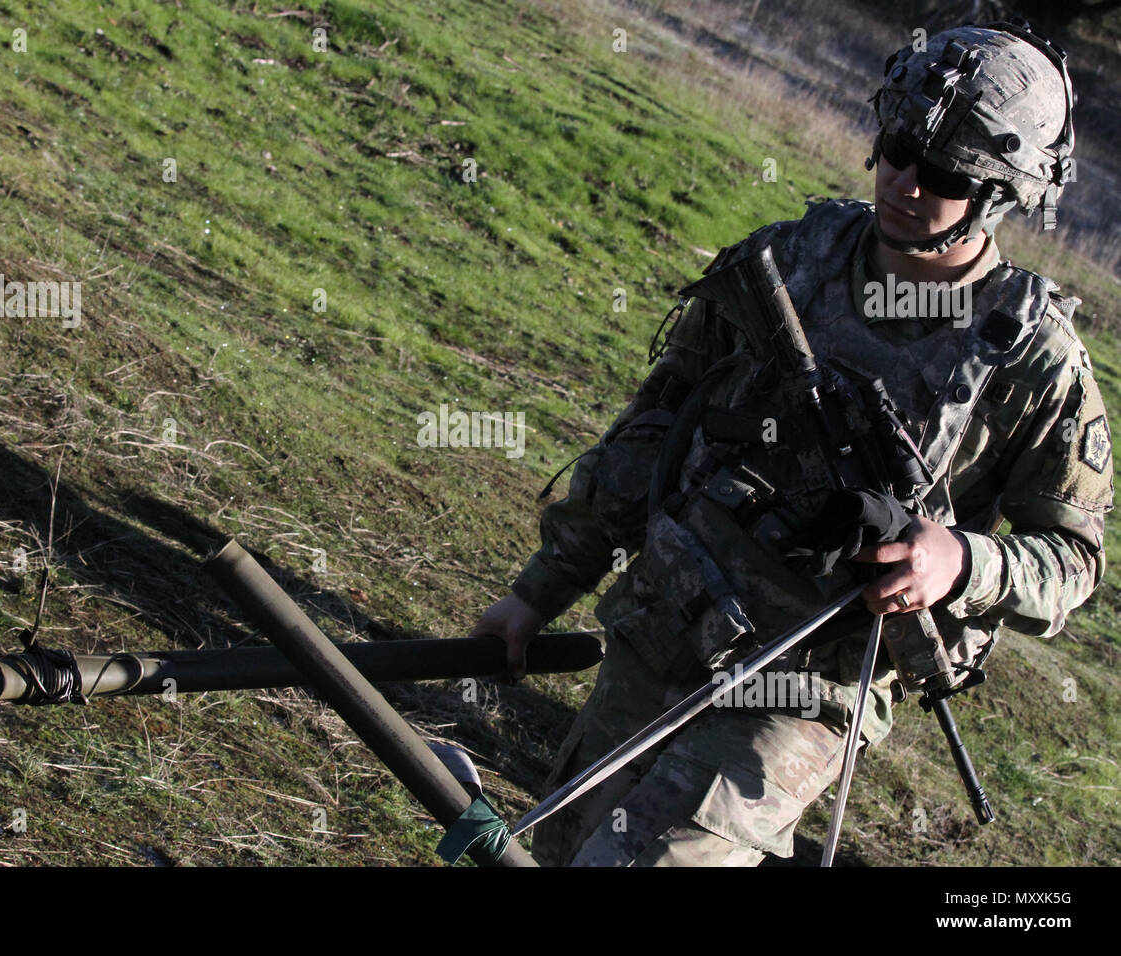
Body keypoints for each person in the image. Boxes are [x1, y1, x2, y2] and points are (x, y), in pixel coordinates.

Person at [473, 20, 1113, 866]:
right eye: (896, 147)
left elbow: (1072, 564)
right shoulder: (790, 261)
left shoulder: (1033, 358)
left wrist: (957, 562)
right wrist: (539, 591)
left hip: (799, 696)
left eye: (947, 175)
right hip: (666, 620)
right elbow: (652, 431)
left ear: (1000, 194)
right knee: (560, 848)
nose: (906, 183)